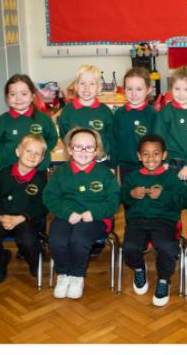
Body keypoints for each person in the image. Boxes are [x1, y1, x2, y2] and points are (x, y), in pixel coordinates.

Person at [44, 127, 120, 300]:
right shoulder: (61, 173)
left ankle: (77, 277)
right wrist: (66, 213)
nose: (83, 152)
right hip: (66, 216)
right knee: (56, 240)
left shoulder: (105, 174)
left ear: (96, 150)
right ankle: (63, 275)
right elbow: (49, 197)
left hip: (95, 218)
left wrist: (93, 213)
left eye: (89, 147)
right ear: (70, 149)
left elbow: (113, 201)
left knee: (79, 240)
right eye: (78, 147)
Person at [121, 134, 184, 306]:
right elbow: (123, 198)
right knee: (129, 247)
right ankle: (139, 268)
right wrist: (131, 194)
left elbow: (182, 200)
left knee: (167, 247)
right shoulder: (132, 177)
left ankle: (163, 279)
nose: (150, 158)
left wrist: (164, 195)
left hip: (164, 220)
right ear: (139, 156)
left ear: (164, 155)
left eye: (156, 154)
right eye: (146, 154)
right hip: (137, 220)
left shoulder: (171, 177)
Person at [0, 134, 47, 283]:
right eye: (28, 151)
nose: (32, 156)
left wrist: (21, 218)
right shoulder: (3, 174)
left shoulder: (41, 180)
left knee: (27, 240)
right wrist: (0, 216)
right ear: (18, 152)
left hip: (25, 219)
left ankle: (34, 263)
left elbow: (43, 206)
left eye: (37, 154)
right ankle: (0, 263)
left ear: (42, 159)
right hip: (2, 217)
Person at [0, 74, 58, 172]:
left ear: (32, 96)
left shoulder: (43, 119)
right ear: (7, 98)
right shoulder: (2, 120)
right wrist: (6, 151)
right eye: (13, 94)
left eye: (23, 94)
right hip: (9, 170)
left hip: (38, 170)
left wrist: (41, 153)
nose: (18, 98)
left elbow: (52, 138)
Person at [58, 64, 116, 161]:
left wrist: (104, 152)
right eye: (82, 83)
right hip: (76, 160)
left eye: (92, 84)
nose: (86, 87)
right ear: (76, 86)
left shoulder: (105, 111)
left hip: (100, 161)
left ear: (99, 87)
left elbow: (111, 136)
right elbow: (65, 136)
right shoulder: (67, 111)